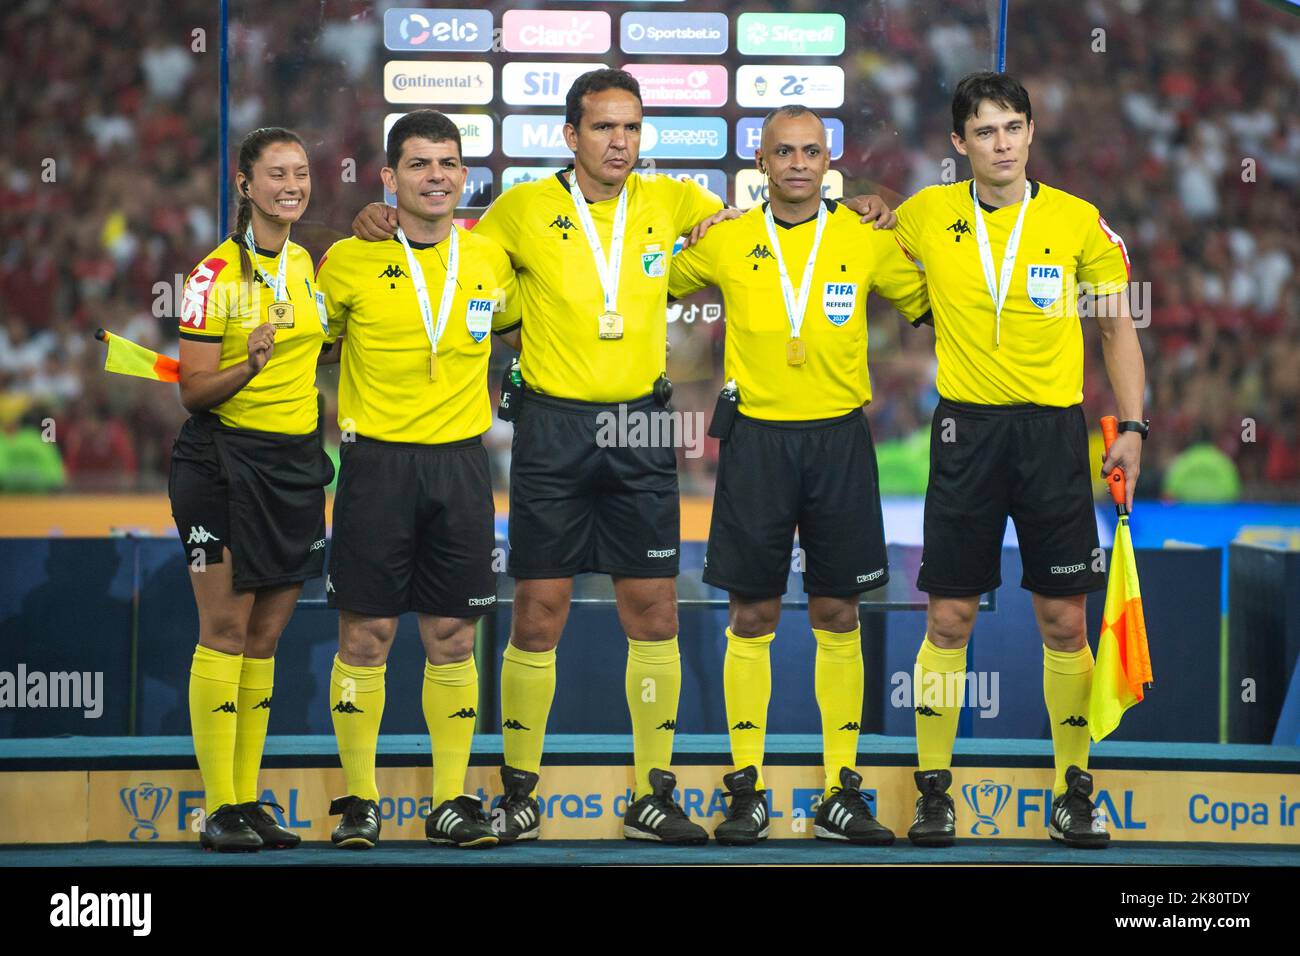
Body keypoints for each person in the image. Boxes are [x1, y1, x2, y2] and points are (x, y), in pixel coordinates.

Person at [352, 70, 896, 845]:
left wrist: (865, 202)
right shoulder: (520, 211)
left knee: (656, 611)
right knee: (538, 613)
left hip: (641, 426)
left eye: (631, 128)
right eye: (604, 128)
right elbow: (446, 254)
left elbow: (783, 219)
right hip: (550, 429)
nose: (620, 142)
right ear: (570, 136)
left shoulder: (675, 202)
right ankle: (520, 793)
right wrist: (377, 216)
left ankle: (652, 791)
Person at [892, 72, 1146, 848]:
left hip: (1053, 437)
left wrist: (1132, 425)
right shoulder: (926, 215)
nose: (1000, 143)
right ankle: (934, 791)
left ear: (1031, 133)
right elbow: (851, 246)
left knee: (1065, 620)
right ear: (957, 143)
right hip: (965, 434)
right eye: (985, 131)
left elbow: (1116, 331)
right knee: (949, 616)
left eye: (1013, 128)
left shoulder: (1078, 225)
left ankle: (1075, 789)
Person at [668, 105, 931, 846]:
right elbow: (649, 274)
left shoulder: (862, 237)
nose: (797, 163)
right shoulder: (726, 241)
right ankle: (745, 789)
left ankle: (838, 793)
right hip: (754, 441)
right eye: (783, 151)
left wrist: (896, 217)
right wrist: (682, 228)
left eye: (810, 151)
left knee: (837, 615)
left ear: (828, 161)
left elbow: (930, 296)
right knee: (751, 615)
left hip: (839, 442)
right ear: (760, 160)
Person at [315, 110, 521, 850]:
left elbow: (528, 329)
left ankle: (451, 801)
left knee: (453, 637)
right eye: (420, 164)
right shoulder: (346, 259)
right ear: (390, 177)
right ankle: (360, 803)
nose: (436, 176)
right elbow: (316, 344)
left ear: (463, 177)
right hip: (374, 464)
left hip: (462, 466)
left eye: (448, 164)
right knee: (364, 636)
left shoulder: (491, 260)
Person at [171, 127, 334, 852]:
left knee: (265, 636)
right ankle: (218, 808)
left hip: (295, 464)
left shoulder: (302, 262)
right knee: (226, 630)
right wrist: (250, 366)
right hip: (219, 464)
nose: (291, 185)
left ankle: (246, 799)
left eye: (299, 172)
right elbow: (193, 392)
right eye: (275, 174)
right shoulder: (212, 276)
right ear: (245, 185)